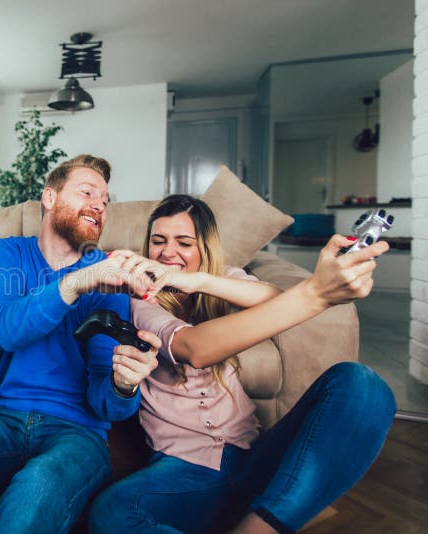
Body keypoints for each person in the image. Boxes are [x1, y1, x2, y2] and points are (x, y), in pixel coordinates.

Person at [88, 195, 396, 534]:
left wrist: (201, 281)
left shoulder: (224, 280)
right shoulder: (139, 299)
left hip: (254, 455)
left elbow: (279, 302)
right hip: (186, 470)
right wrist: (315, 293)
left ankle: (261, 524)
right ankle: (264, 517)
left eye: (184, 243)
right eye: (158, 242)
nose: (166, 253)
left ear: (205, 248)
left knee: (363, 386)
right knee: (111, 513)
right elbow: (194, 347)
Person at [0, 154, 162, 533]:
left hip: (77, 435)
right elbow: (7, 331)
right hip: (3, 420)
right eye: (87, 192)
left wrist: (124, 384)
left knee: (41, 483)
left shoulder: (109, 277)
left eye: (104, 201)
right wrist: (75, 283)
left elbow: (107, 404)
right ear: (49, 198)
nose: (99, 206)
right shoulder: (6, 255)